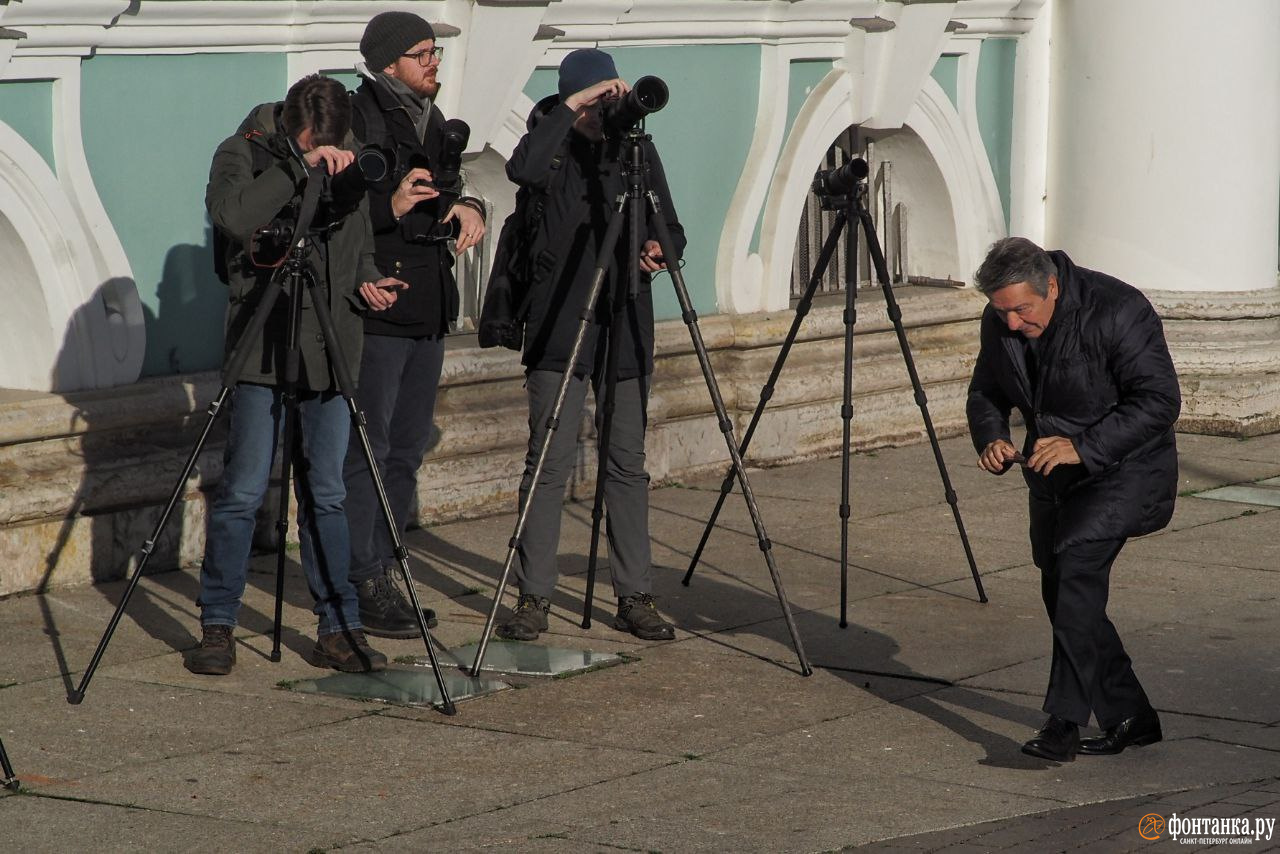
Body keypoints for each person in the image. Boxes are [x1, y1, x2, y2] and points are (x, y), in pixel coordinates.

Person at [190, 74, 406, 676]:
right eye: (316, 142)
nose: (329, 149)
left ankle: (340, 627)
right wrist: (297, 168)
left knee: (327, 493)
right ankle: (218, 623)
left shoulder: (349, 150)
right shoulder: (245, 150)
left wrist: (368, 279)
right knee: (243, 491)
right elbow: (233, 217)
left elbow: (357, 234)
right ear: (293, 127)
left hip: (333, 341)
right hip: (264, 340)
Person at [496, 48, 686, 643]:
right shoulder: (548, 145)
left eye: (611, 96)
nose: (606, 107)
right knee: (548, 466)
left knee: (627, 464)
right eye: (595, 97)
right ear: (575, 97)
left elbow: (671, 227)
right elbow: (521, 171)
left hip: (625, 321)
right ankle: (533, 598)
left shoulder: (636, 150)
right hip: (559, 325)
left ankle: (635, 595)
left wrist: (662, 253)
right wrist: (574, 106)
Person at [966, 237, 1181, 761]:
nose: (1012, 323)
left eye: (1022, 309)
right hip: (1050, 480)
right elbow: (985, 390)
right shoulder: (1000, 319)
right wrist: (991, 436)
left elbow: (1160, 400)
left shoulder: (1119, 309)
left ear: (1053, 286)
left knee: (1075, 575)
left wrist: (1082, 447)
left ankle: (1062, 723)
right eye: (1002, 312)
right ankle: (1130, 715)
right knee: (1064, 595)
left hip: (1126, 471)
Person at [341, 12, 487, 638]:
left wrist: (470, 207)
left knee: (405, 449)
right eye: (422, 53)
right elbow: (332, 206)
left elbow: (448, 185)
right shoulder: (359, 116)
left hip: (429, 307)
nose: (434, 61)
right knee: (368, 451)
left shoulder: (428, 118)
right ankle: (361, 576)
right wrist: (389, 205)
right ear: (388, 62)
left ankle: (387, 564)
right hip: (380, 308)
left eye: (436, 52)